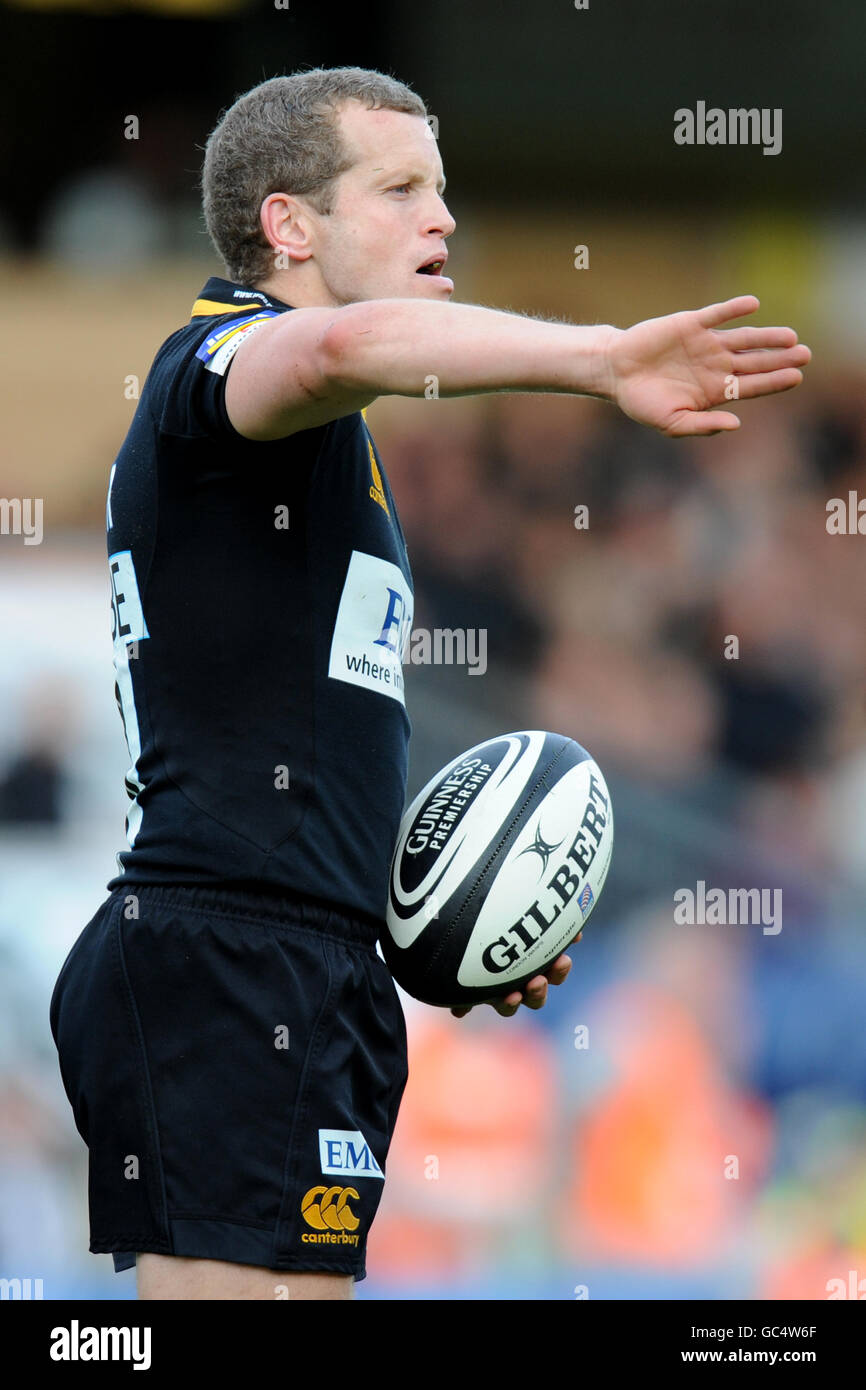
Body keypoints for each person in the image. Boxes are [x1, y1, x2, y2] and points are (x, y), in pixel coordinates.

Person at [49, 65, 810, 1302]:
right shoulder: (214, 366)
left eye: (441, 190)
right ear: (289, 226)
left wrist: (441, 915)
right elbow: (346, 342)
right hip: (224, 961)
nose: (441, 217)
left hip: (304, 957)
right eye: (399, 189)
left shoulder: (324, 447)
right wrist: (605, 357)